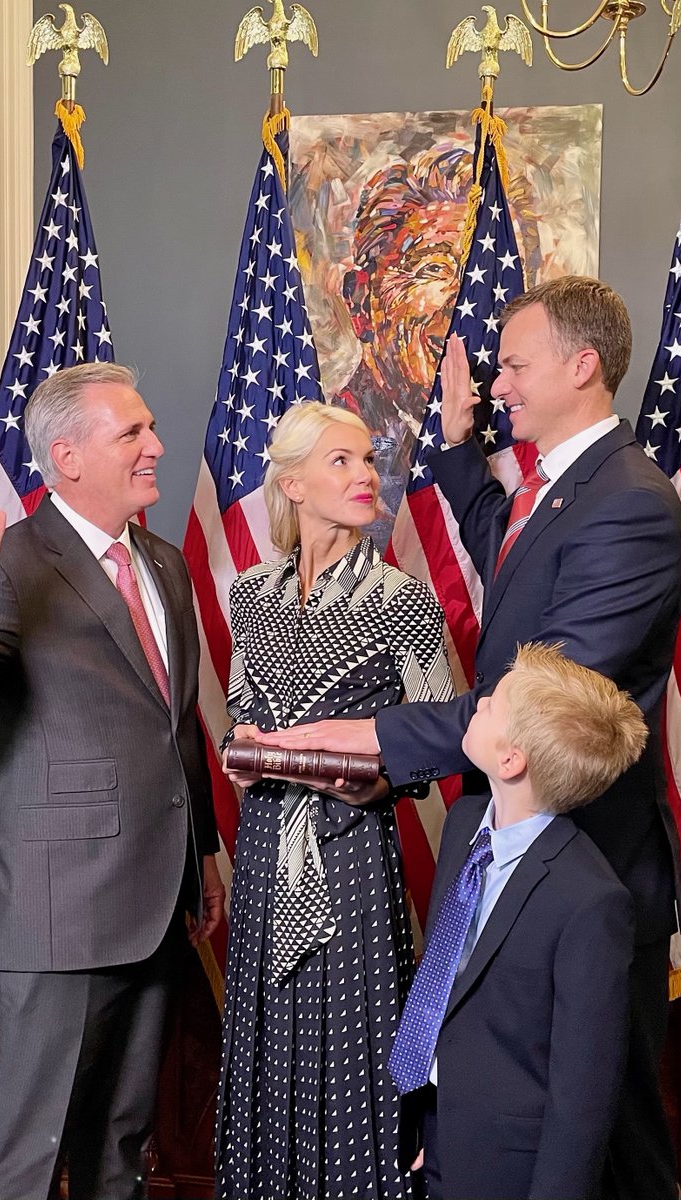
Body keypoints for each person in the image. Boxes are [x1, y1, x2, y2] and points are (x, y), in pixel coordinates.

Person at [260, 277, 681, 1200]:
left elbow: (539, 702)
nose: (499, 386)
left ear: (582, 367)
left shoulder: (632, 504)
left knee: (603, 1130)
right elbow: (513, 550)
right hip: (507, 844)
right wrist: (458, 451)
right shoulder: (567, 490)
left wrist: (372, 736)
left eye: (514, 366)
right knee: (500, 1100)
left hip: (589, 858)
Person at [0, 363, 225, 1200]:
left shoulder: (164, 563)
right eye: (132, 433)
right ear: (67, 456)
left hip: (158, 904)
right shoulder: (8, 563)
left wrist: (201, 854)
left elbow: (174, 731)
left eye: (149, 427)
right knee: (28, 1156)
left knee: (119, 1150)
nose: (156, 446)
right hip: (53, 919)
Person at [215, 401, 454, 1200]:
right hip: (263, 855)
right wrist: (245, 749)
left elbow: (437, 740)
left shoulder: (403, 600)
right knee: (266, 1041)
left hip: (350, 855)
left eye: (368, 461)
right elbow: (242, 709)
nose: (365, 477)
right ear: (292, 484)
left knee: (354, 1047)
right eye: (342, 461)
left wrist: (370, 776)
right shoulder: (252, 594)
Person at [392, 644, 647, 1200]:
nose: (478, 701)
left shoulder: (590, 903)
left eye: (492, 705)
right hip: (437, 1132)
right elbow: (447, 986)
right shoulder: (464, 824)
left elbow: (583, 1098)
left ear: (511, 761)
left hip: (508, 1170)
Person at [337, 145, 539, 544]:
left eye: (484, 280)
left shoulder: (533, 455)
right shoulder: (330, 450)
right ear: (361, 302)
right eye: (433, 268)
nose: (465, 305)